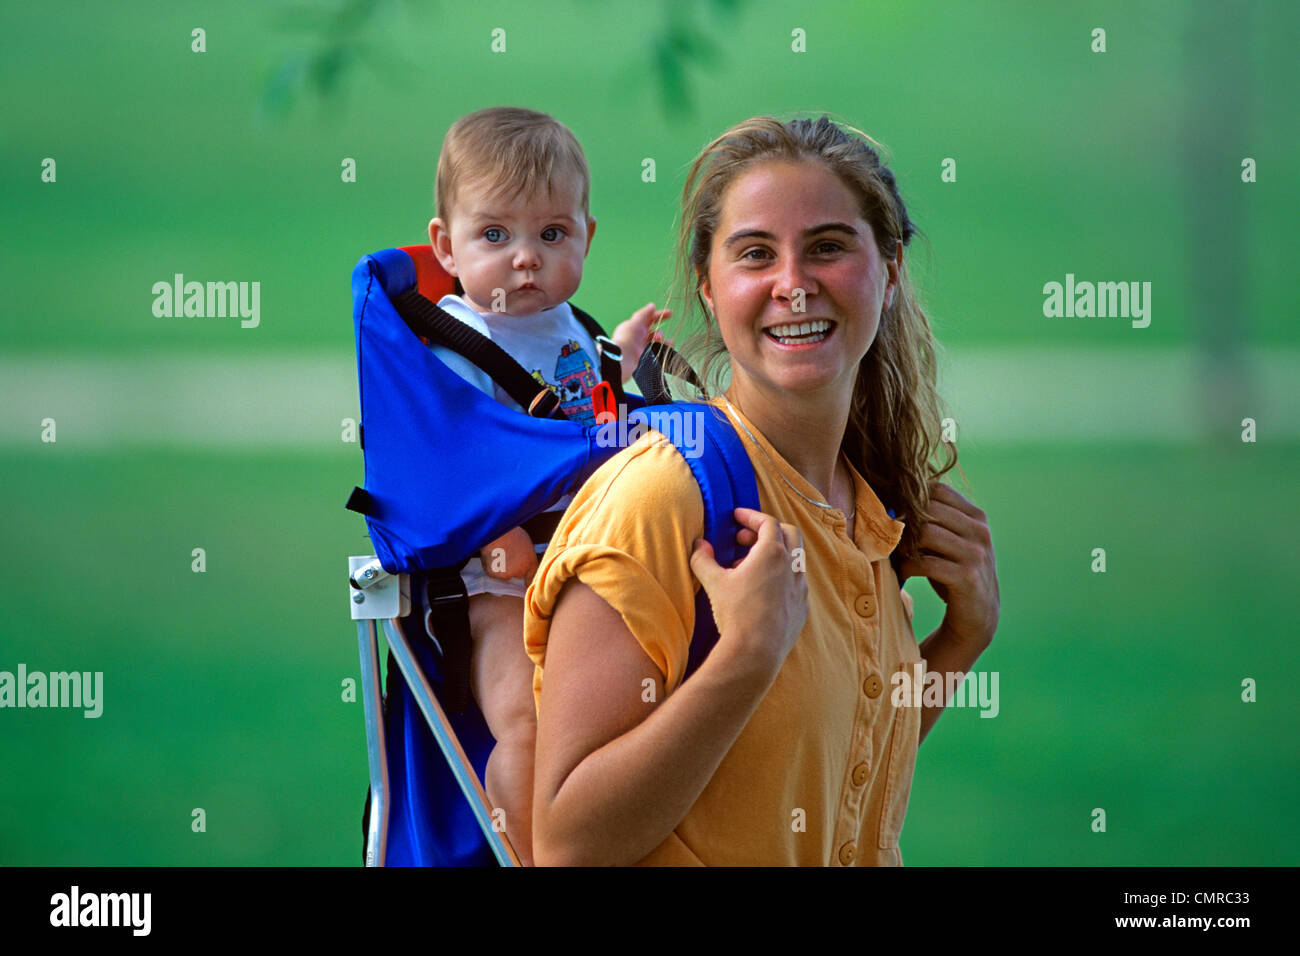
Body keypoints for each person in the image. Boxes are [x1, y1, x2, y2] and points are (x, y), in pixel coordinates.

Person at [524, 114, 1001, 866]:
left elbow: (823, 764)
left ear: (892, 267)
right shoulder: (664, 496)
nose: (793, 285)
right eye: (755, 254)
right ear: (710, 290)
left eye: (828, 247)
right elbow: (565, 844)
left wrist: (959, 645)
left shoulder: (865, 504)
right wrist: (745, 657)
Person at [426, 106, 670, 866]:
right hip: (497, 582)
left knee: (614, 721)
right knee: (527, 728)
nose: (525, 260)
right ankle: (526, 855)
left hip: (583, 561)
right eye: (494, 236)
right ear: (447, 247)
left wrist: (617, 363)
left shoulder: (565, 326)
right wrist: (502, 542)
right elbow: (454, 465)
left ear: (587, 238)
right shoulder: (458, 338)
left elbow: (580, 410)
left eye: (551, 235)